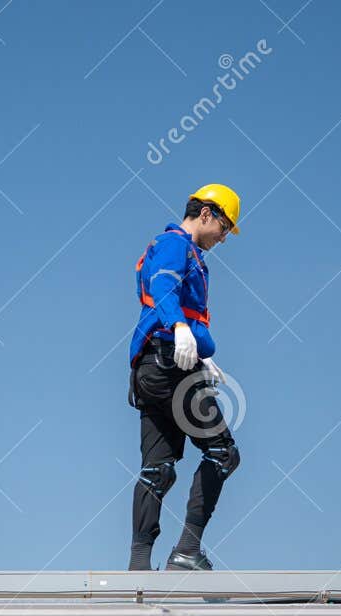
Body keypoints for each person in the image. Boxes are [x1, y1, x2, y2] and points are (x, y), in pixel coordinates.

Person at [126, 184, 243, 572]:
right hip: (171, 364)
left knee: (156, 470)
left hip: (151, 369)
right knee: (223, 453)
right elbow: (162, 284)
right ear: (206, 214)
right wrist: (178, 327)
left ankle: (138, 569)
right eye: (224, 228)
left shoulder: (171, 246)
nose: (224, 238)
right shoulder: (176, 244)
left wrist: (197, 351)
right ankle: (187, 550)